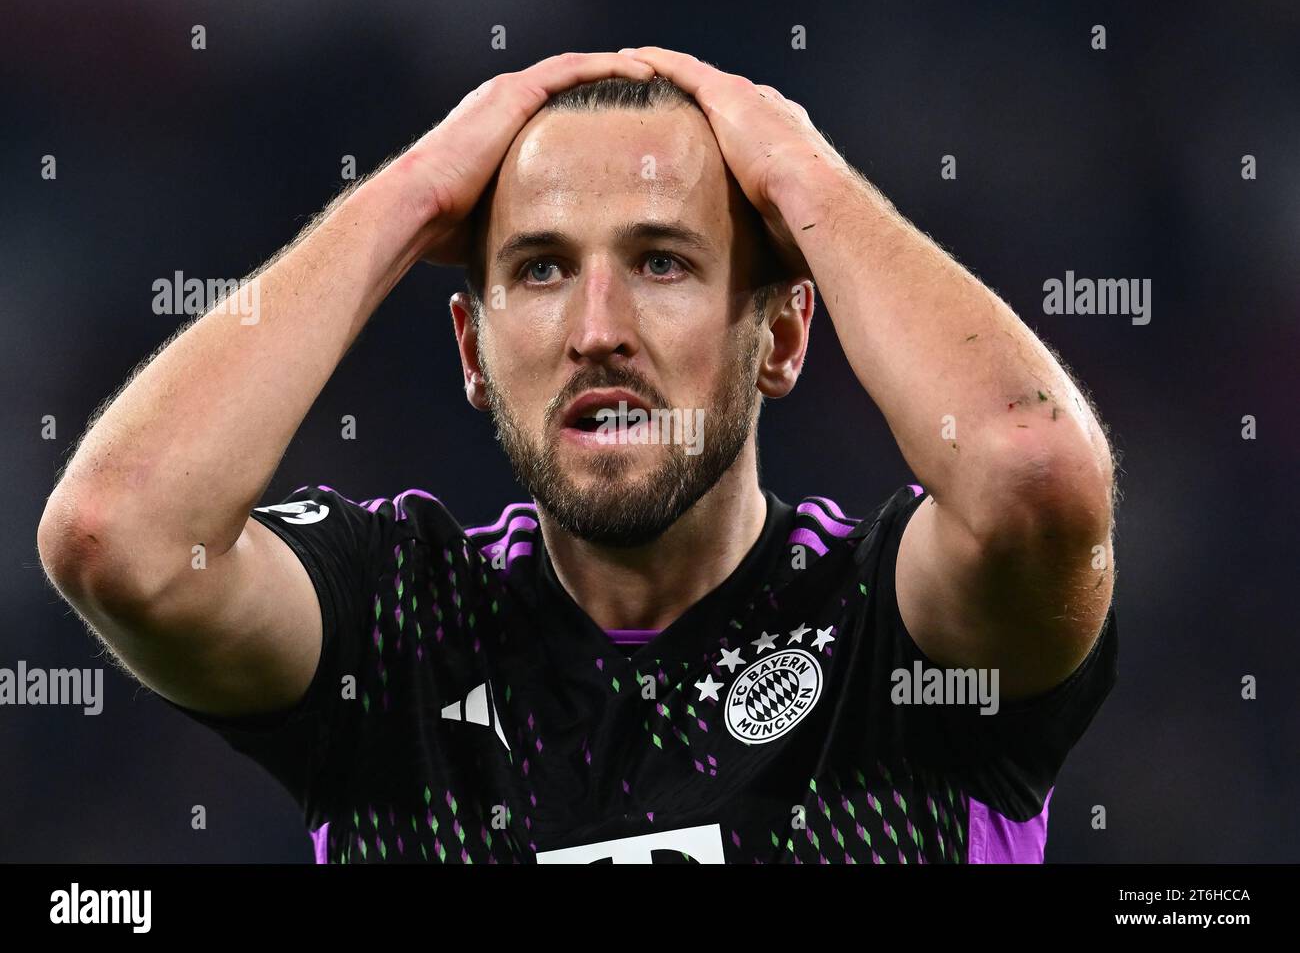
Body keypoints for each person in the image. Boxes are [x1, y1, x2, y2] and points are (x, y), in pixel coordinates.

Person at [37, 47, 1119, 863]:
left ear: (782, 334)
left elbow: (1030, 468)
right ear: (472, 350)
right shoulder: (401, 630)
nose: (596, 326)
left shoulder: (891, 630)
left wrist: (804, 180)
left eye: (661, 260)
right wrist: (409, 193)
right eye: (542, 269)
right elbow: (117, 534)